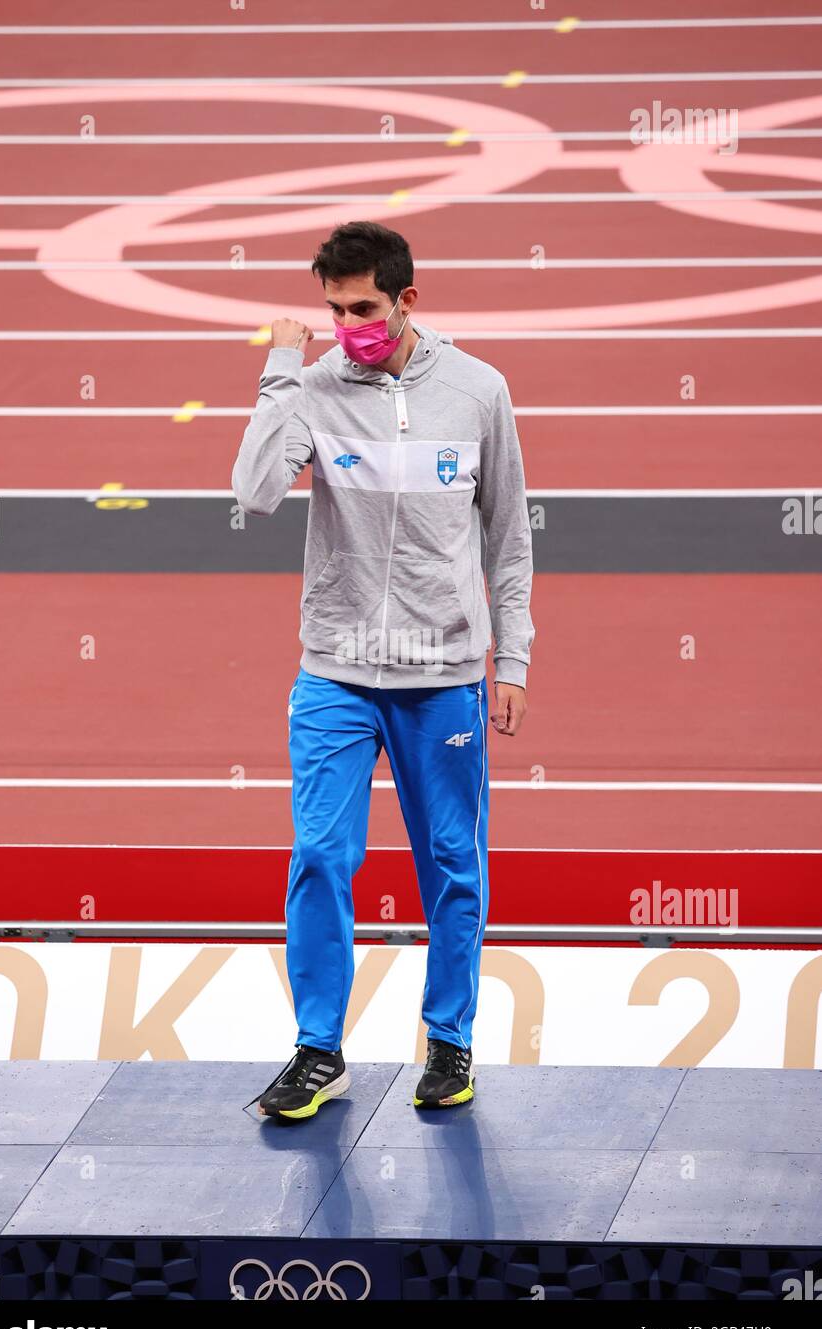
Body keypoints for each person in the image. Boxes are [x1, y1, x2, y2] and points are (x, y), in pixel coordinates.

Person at [233, 221, 533, 1120]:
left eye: (363, 307)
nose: (348, 324)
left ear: (408, 299)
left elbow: (507, 536)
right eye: (333, 310)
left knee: (452, 861)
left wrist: (508, 657)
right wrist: (281, 370)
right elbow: (253, 491)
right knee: (322, 854)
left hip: (442, 674)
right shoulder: (314, 388)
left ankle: (449, 1043)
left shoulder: (479, 391)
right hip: (335, 671)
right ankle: (318, 1052)